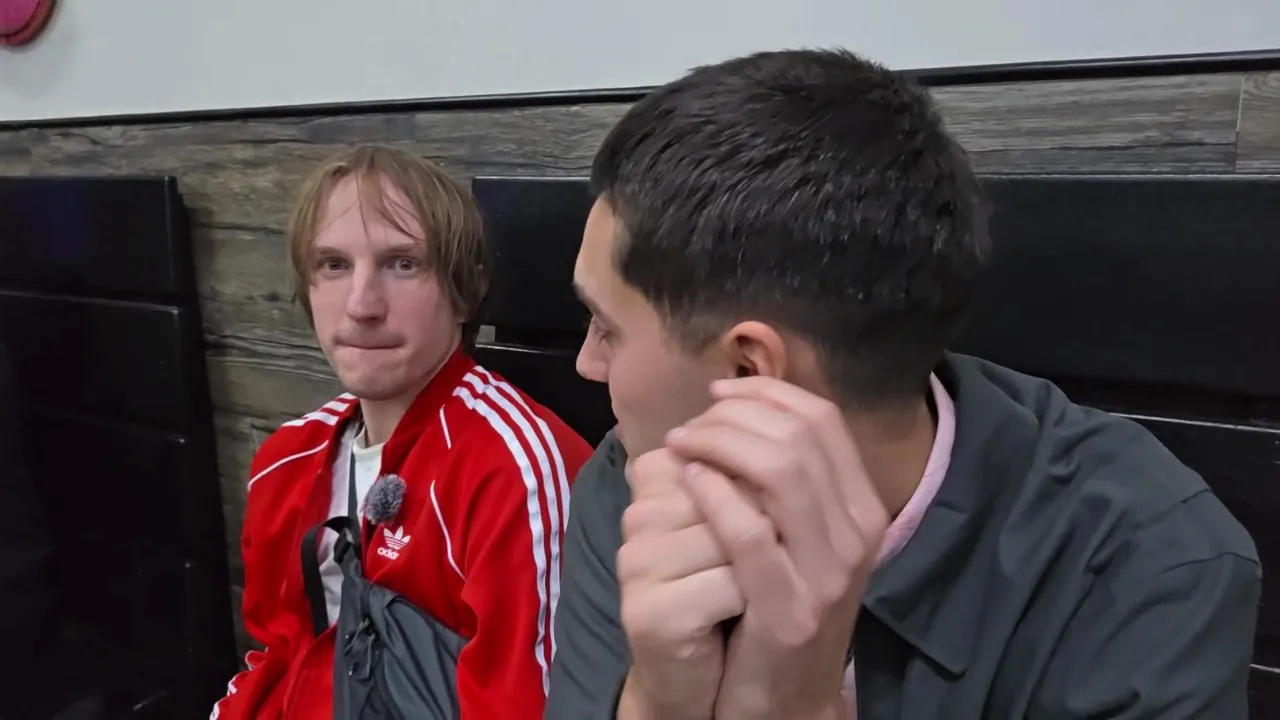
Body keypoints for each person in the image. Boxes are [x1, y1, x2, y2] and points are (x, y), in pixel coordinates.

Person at [545, 49, 1261, 719]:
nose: (587, 363)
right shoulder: (632, 481)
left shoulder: (1148, 567)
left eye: (606, 326)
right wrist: (657, 699)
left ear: (748, 374)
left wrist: (797, 704)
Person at [211, 145, 592, 719]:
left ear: (466, 291)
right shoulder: (286, 458)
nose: (362, 305)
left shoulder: (514, 471)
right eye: (333, 265)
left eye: (403, 264)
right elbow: (275, 657)